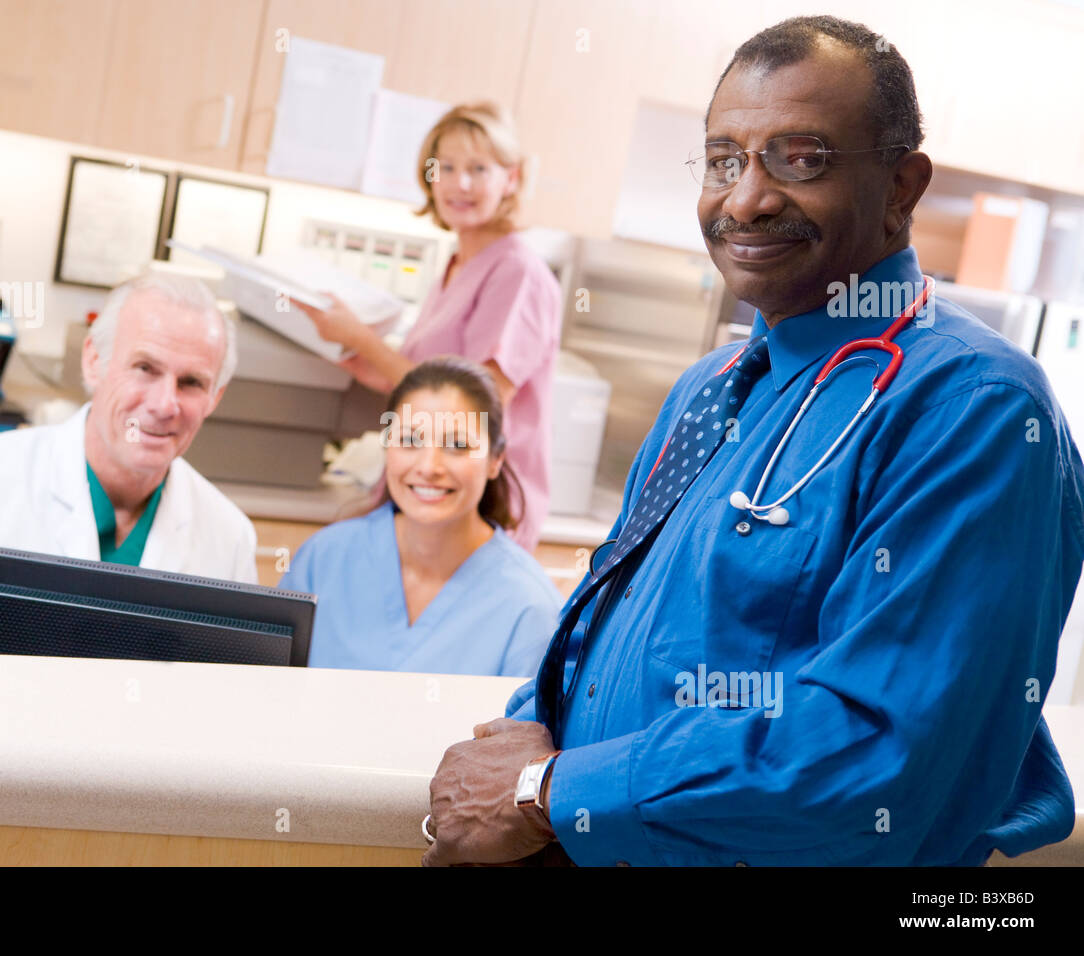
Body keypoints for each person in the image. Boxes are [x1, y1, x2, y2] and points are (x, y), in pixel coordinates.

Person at [422, 15, 1084, 866]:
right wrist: (520, 738)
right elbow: (616, 634)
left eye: (800, 158)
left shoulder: (974, 409)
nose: (745, 198)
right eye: (725, 159)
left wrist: (546, 791)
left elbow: (878, 754)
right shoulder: (711, 388)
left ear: (901, 188)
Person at [0, 272, 258, 653]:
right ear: (94, 361)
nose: (165, 405)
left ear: (215, 397)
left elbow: (227, 698)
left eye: (192, 382)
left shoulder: (229, 538)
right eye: (145, 368)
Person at [292, 102, 561, 553]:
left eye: (479, 168)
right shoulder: (456, 266)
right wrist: (335, 337)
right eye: (447, 167)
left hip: (481, 503)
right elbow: (412, 376)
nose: (461, 183)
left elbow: (476, 401)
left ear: (510, 178)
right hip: (428, 489)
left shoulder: (518, 271)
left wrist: (360, 338)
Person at [278, 356, 560, 677]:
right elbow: (268, 695)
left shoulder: (529, 607)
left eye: (456, 445)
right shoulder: (323, 560)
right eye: (410, 440)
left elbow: (526, 725)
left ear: (495, 459)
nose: (429, 467)